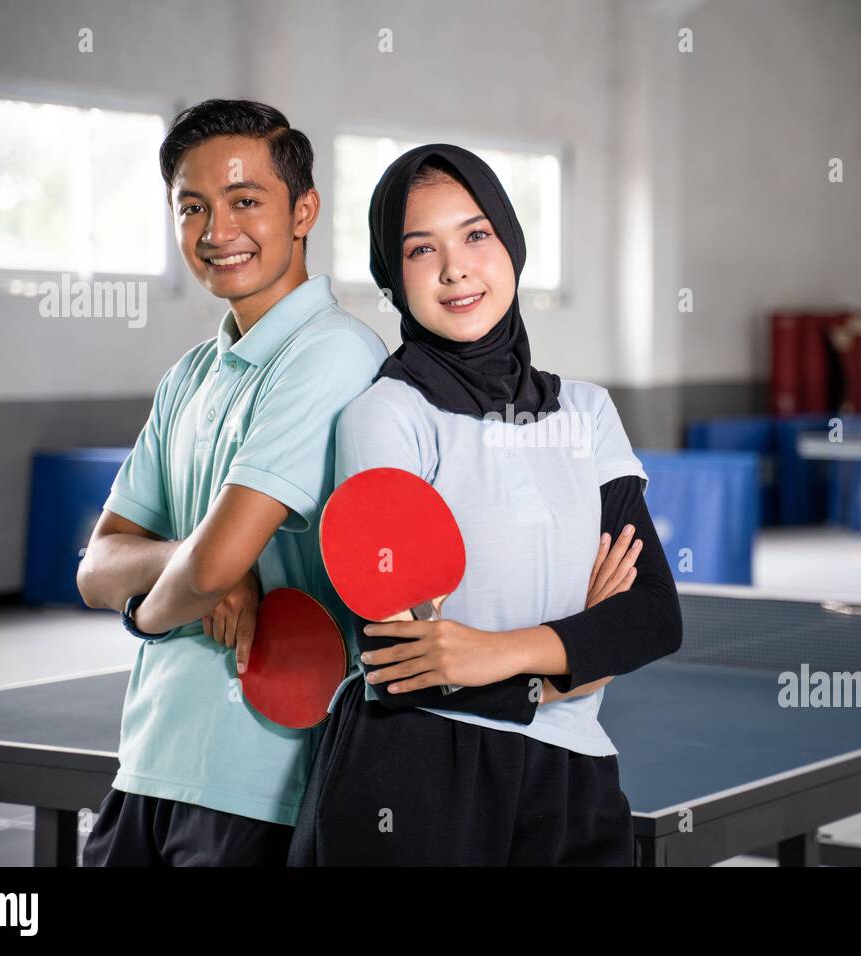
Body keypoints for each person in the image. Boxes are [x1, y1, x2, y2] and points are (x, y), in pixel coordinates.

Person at [287, 144, 683, 866]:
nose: (454, 268)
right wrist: (578, 655)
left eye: (476, 235)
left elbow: (654, 615)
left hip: (577, 777)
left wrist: (497, 654)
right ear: (392, 277)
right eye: (419, 249)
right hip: (416, 777)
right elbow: (403, 665)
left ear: (511, 243)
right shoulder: (385, 418)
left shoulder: (586, 412)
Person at [75, 99, 388, 866]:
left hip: (258, 776)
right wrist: (200, 566)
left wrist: (153, 612)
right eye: (193, 207)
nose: (217, 231)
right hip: (149, 756)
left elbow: (212, 566)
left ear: (303, 210)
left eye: (245, 201)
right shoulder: (189, 373)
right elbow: (96, 568)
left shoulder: (335, 353)